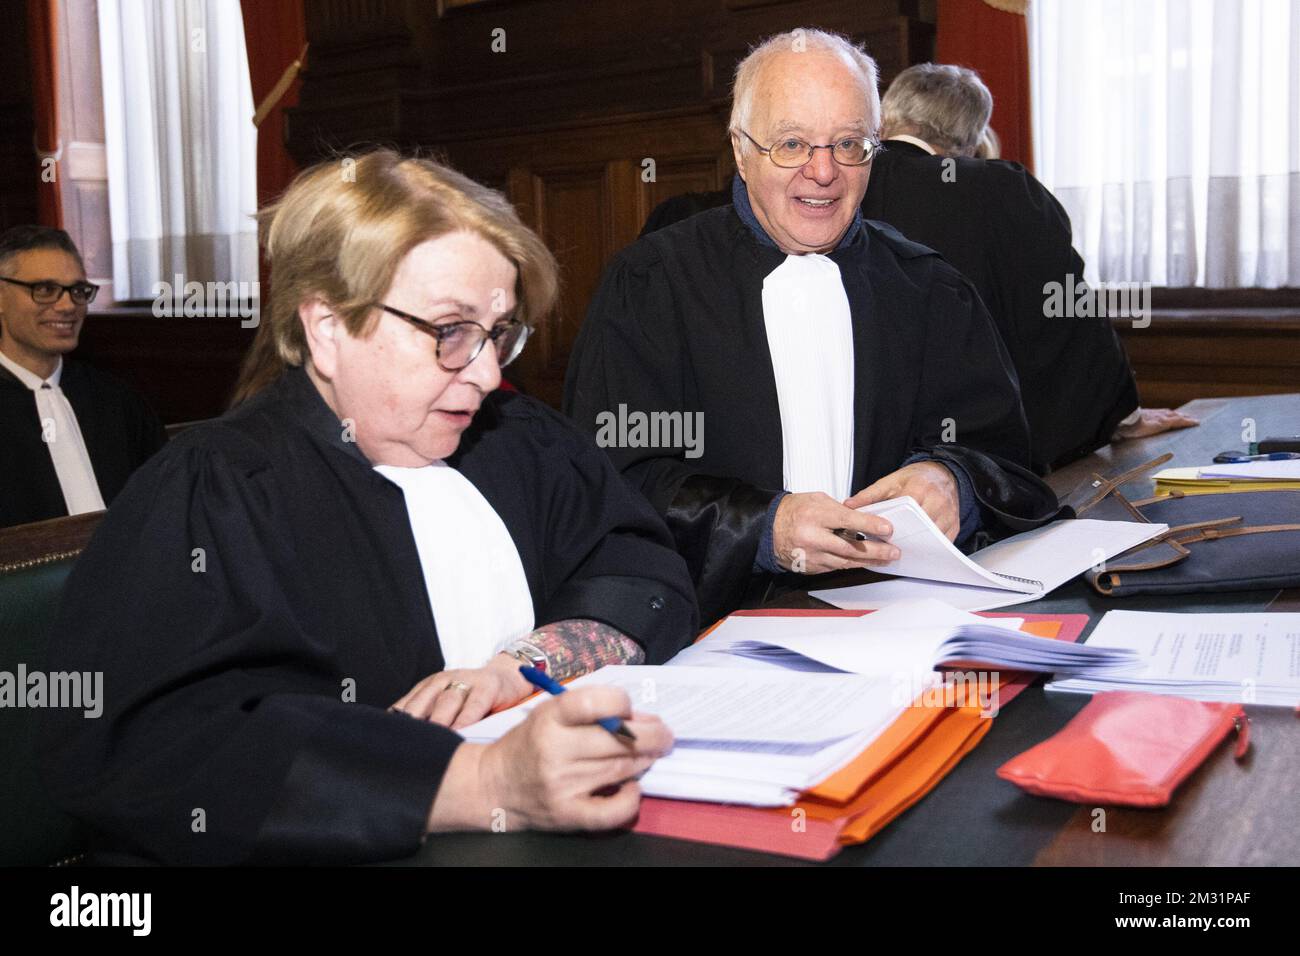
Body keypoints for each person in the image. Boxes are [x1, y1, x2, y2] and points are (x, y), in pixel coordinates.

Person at [39, 151, 694, 865]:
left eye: (499, 332)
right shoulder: (215, 491)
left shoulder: (521, 439)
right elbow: (153, 751)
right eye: (450, 330)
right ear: (326, 326)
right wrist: (477, 782)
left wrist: (517, 667)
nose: (485, 371)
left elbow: (644, 573)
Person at [565, 29, 1061, 624]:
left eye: (849, 143)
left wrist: (953, 482)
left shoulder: (930, 287)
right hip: (711, 630)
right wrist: (764, 527)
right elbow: (611, 485)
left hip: (908, 621)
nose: (823, 172)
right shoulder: (650, 286)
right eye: (792, 143)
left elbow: (1005, 457)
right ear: (741, 149)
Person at [863, 63, 1198, 470]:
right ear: (971, 133)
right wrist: (1120, 415)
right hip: (976, 455)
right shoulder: (999, 189)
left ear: (887, 116)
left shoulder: (846, 181)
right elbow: (1065, 309)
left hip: (865, 449)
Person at [0, 225, 166, 528]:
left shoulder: (118, 401)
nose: (67, 306)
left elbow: (162, 511)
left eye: (78, 291)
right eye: (45, 290)